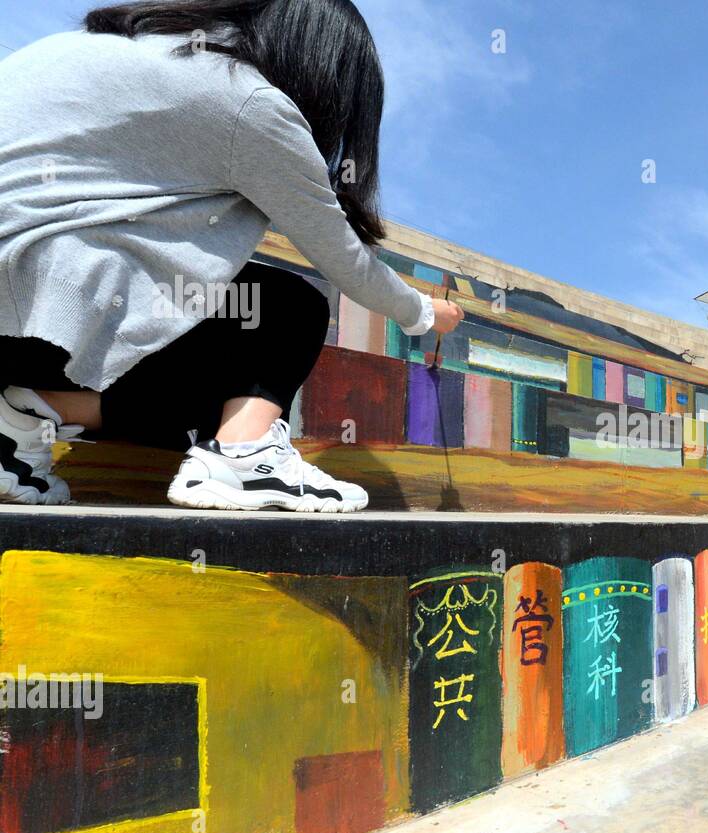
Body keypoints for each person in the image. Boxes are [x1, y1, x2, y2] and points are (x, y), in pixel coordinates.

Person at [0, 0, 463, 513]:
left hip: (17, 323)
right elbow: (346, 260)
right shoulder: (248, 103)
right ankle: (242, 460)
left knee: (209, 396)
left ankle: (20, 422)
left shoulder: (79, 48)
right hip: (31, 316)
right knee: (286, 308)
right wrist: (425, 313)